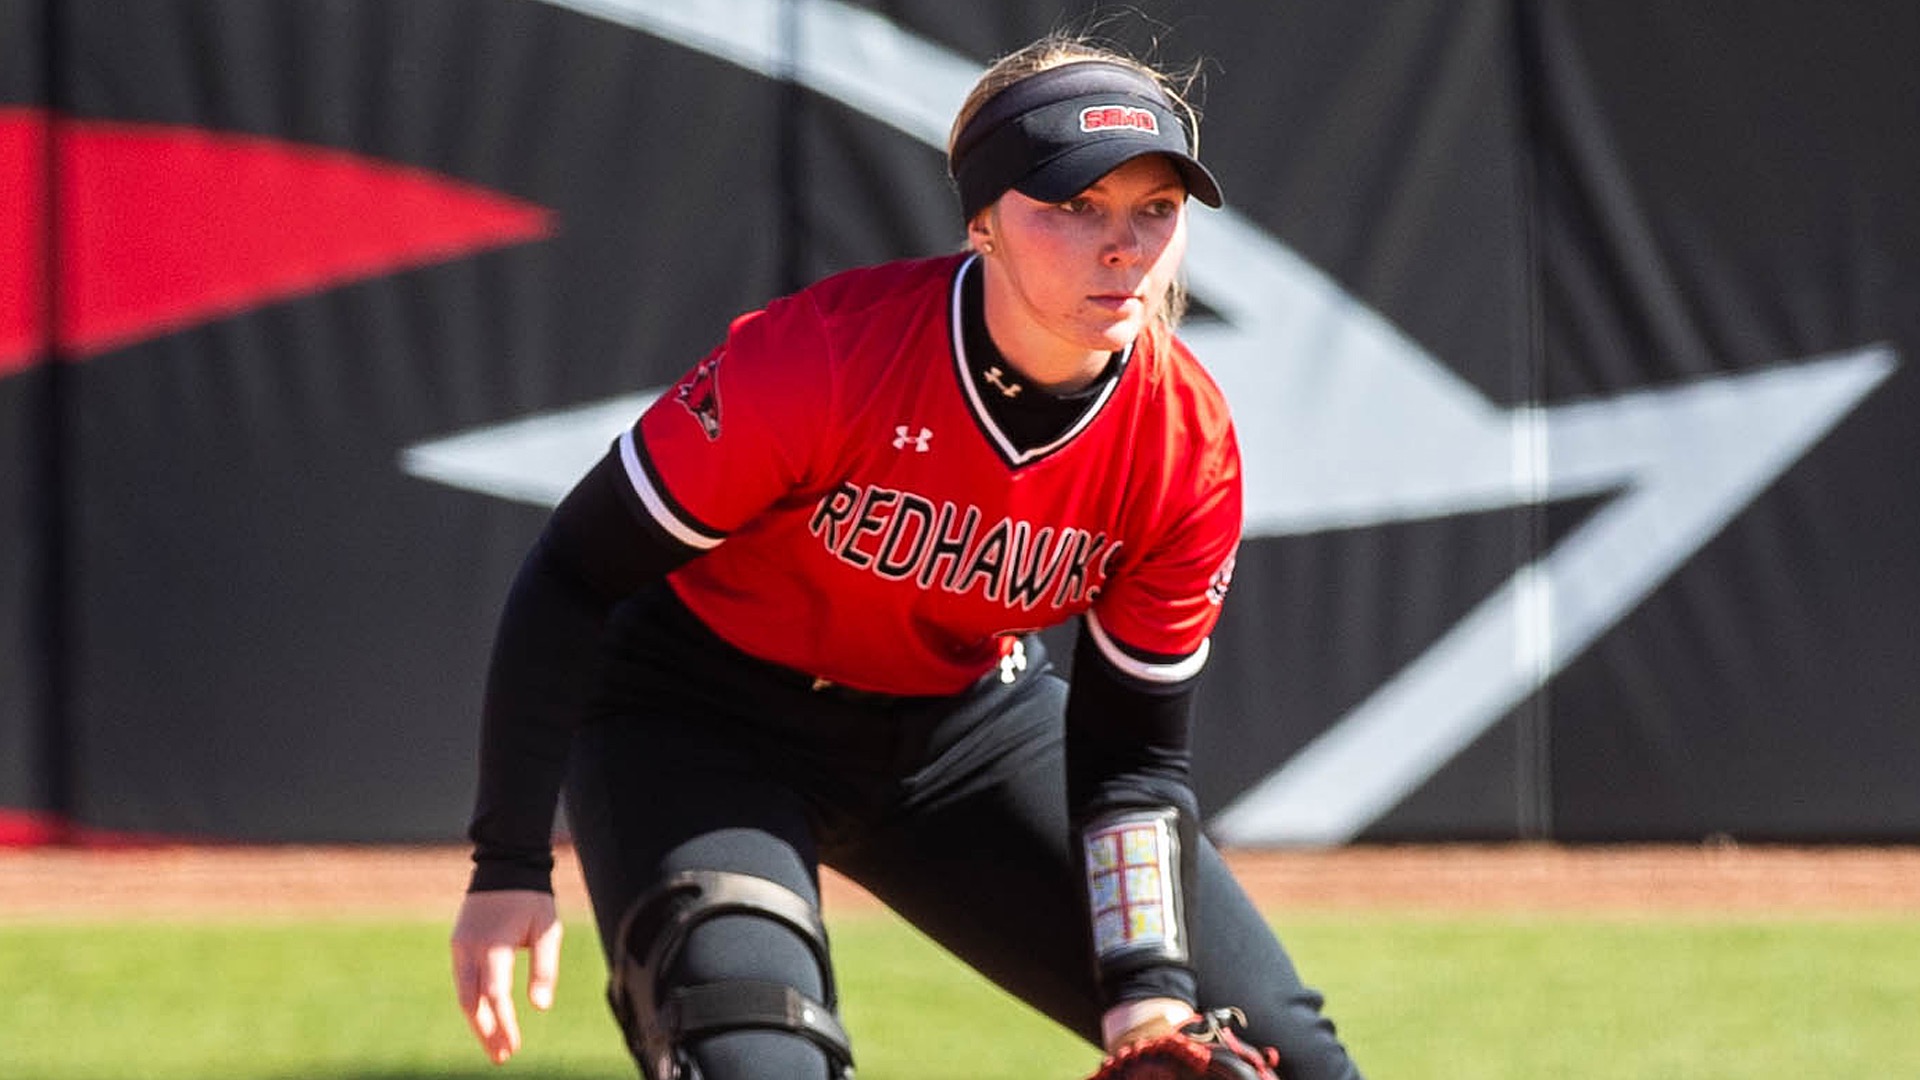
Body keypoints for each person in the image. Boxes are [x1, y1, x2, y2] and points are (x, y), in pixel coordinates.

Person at [449, 29, 1363, 1080]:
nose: (1125, 247)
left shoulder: (1182, 442)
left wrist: (1145, 990)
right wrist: (509, 861)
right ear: (982, 220)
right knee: (759, 1060)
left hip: (963, 733)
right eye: (1072, 206)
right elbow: (574, 572)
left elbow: (1132, 761)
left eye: (1153, 209)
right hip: (697, 717)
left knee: (1286, 1066)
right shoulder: (826, 359)